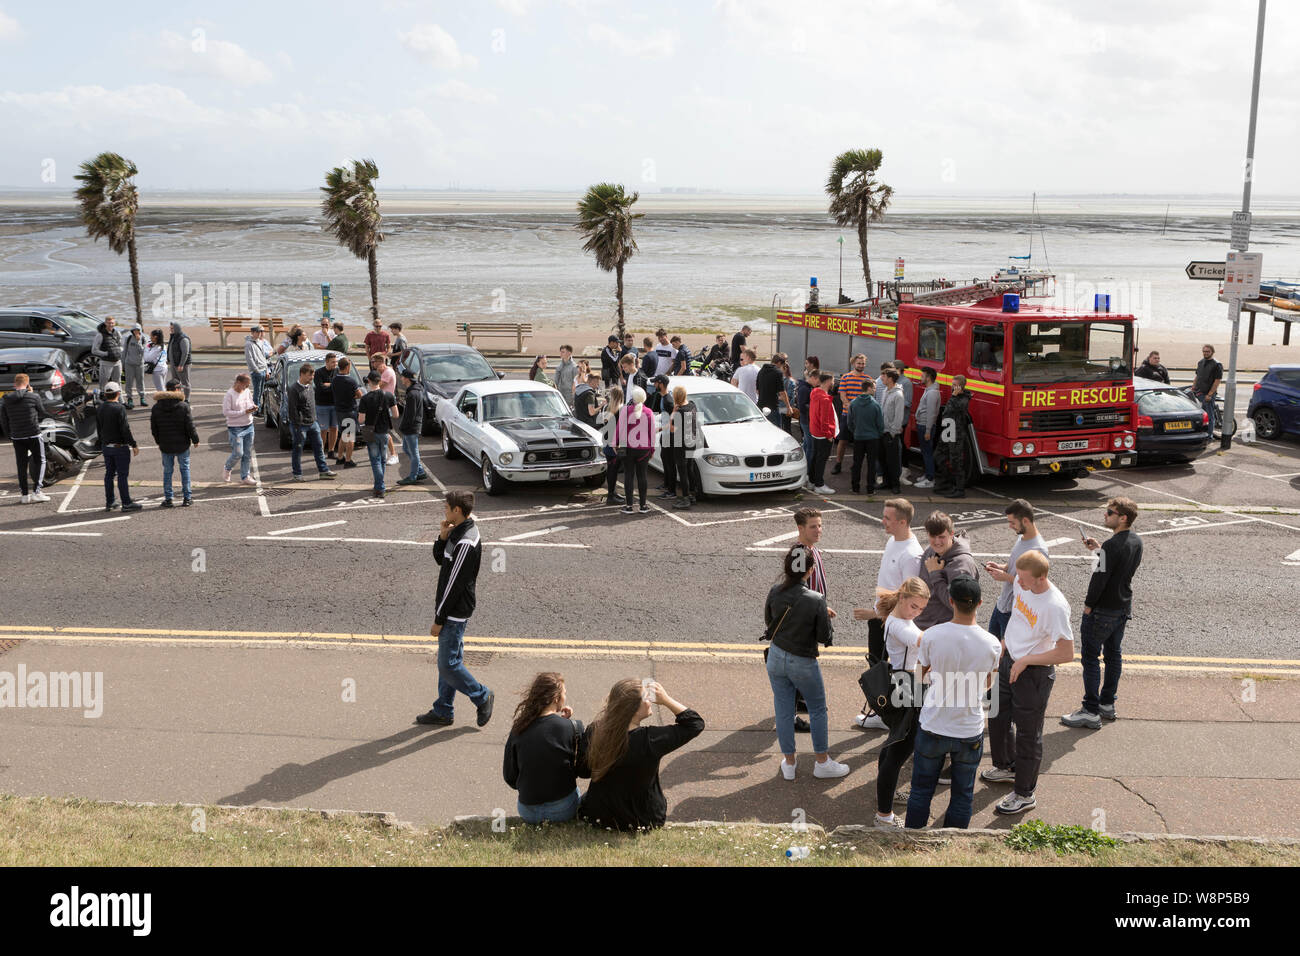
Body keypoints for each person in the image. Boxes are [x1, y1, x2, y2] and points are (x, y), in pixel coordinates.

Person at [981, 550, 1074, 815]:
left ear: (1042, 577)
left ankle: (1024, 793)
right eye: (1017, 577)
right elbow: (1019, 619)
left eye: (1022, 579)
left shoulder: (1055, 606)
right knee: (997, 717)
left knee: (1027, 735)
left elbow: (1066, 653)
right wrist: (1004, 646)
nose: (1017, 584)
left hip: (1033, 674)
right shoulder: (1023, 584)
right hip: (1010, 660)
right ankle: (1005, 766)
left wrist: (1027, 660)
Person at [905, 575, 1001, 830]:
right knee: (962, 794)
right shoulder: (992, 643)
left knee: (921, 790)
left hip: (934, 724)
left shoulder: (932, 635)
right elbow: (988, 685)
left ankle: (912, 841)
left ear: (950, 601)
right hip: (969, 729)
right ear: (980, 603)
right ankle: (952, 845)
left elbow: (919, 677)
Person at [764, 544, 849, 781]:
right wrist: (823, 614)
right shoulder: (815, 599)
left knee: (783, 709)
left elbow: (769, 621)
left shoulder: (775, 590)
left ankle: (789, 764)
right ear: (810, 570)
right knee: (817, 709)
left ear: (787, 566)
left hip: (776, 656)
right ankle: (822, 762)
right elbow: (824, 637)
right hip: (802, 661)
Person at [577, 679, 703, 831]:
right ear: (634, 709)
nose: (650, 701)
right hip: (644, 819)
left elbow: (583, 772)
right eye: (646, 698)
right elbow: (695, 723)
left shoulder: (595, 731)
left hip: (599, 816)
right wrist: (666, 700)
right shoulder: (650, 740)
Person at [1063, 497, 1144, 729]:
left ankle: (1089, 710)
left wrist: (1088, 605)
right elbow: (1118, 569)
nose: (1105, 515)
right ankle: (1107, 704)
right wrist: (1099, 550)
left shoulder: (1112, 546)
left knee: (1090, 658)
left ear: (1123, 517)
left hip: (1102, 611)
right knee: (1113, 656)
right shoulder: (1136, 541)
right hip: (1122, 607)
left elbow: (1100, 578)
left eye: (1110, 512)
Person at [417, 490, 494, 729]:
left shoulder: (466, 540)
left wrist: (439, 618)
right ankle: (443, 709)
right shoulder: (457, 531)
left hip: (455, 611)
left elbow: (454, 584)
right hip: (451, 608)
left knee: (448, 664)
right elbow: (442, 560)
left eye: (446, 508)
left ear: (457, 510)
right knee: (449, 660)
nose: (445, 511)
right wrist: (441, 537)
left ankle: (482, 696)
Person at [852, 498, 924, 726]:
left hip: (889, 620)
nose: (882, 521)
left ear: (903, 522)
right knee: (877, 667)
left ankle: (887, 715)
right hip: (881, 615)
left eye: (887, 518)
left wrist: (875, 613)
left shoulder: (911, 554)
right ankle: (883, 709)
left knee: (895, 669)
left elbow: (908, 595)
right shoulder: (894, 540)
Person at [871, 576, 932, 828]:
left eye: (921, 609)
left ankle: (888, 794)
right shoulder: (900, 625)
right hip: (908, 688)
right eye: (914, 606)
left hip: (902, 683)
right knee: (899, 751)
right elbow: (923, 641)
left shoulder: (897, 619)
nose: (916, 612)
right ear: (902, 598)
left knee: (893, 744)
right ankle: (883, 816)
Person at [503, 672, 586, 824]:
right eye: (564, 693)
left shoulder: (519, 728)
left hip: (528, 811)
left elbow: (510, 777)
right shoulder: (573, 728)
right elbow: (584, 770)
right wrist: (568, 724)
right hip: (563, 810)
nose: (565, 697)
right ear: (556, 698)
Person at [986, 499, 1048, 639]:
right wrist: (1001, 567)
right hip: (1002, 604)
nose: (1010, 526)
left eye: (1012, 522)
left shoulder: (1038, 550)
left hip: (1014, 612)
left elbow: (1035, 586)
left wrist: (1006, 577)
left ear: (1025, 520)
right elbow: (1014, 566)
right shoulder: (1022, 538)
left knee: (1007, 658)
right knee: (994, 651)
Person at [915, 510, 979, 631]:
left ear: (951, 534)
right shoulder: (930, 550)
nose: (937, 542)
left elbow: (959, 607)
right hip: (923, 625)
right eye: (932, 536)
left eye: (941, 537)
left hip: (944, 632)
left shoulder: (962, 565)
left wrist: (935, 575)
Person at [150, 377, 200, 507]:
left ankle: (168, 498)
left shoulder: (156, 407)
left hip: (165, 445)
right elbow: (190, 426)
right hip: (182, 444)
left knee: (167, 471)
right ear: (177, 389)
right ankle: (187, 497)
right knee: (185, 470)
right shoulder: (183, 406)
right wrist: (195, 439)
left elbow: (154, 428)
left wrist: (159, 441)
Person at [1, 374, 50, 503]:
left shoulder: (6, 399)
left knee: (21, 466)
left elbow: (4, 420)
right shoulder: (34, 397)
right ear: (28, 384)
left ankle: (24, 495)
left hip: (17, 437)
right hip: (34, 434)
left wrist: (10, 435)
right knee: (40, 461)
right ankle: (37, 491)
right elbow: (43, 413)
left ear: (14, 384)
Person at [286, 364, 338, 484]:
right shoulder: (294, 389)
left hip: (313, 423)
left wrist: (315, 419)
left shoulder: (310, 386)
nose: (312, 377)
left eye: (313, 374)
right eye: (310, 375)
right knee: (298, 450)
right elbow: (292, 410)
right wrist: (297, 425)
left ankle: (323, 471)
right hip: (300, 425)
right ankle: (297, 474)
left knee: (319, 447)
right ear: (302, 374)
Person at [96, 382, 142, 511]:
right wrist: (133, 444)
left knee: (109, 474)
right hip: (119, 447)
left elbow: (99, 428)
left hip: (107, 446)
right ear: (118, 393)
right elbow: (125, 429)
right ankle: (126, 502)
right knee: (122, 475)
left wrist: (102, 442)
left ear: (105, 394)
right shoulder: (119, 408)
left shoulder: (100, 408)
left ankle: (110, 501)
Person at [615, 386, 656, 515]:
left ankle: (629, 506)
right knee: (642, 476)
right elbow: (652, 433)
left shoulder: (625, 410)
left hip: (628, 448)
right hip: (643, 449)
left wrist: (615, 444)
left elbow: (619, 429)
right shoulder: (649, 412)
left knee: (628, 476)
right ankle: (643, 505)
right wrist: (652, 449)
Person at [357, 371, 396, 498]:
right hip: (384, 432)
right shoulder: (389, 395)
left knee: (375, 461)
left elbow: (361, 419)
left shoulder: (365, 398)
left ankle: (380, 487)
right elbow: (396, 414)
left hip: (371, 432)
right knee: (383, 460)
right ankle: (379, 485)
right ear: (379, 381)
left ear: (368, 381)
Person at [932, 375, 971, 498]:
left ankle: (960, 489)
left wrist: (954, 396)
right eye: (952, 384)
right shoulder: (954, 397)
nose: (952, 387)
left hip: (956, 433)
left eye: (955, 385)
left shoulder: (964, 398)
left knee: (956, 461)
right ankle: (944, 482)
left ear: (961, 386)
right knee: (938, 456)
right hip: (947, 430)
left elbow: (950, 410)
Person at [832, 353, 871, 474]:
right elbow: (842, 395)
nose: (861, 365)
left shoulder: (867, 379)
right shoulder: (846, 377)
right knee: (843, 440)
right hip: (846, 414)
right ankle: (838, 464)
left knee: (858, 442)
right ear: (854, 363)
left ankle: (855, 465)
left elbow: (868, 396)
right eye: (859, 363)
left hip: (861, 416)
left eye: (863, 363)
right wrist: (849, 406)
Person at [847, 377, 884, 495]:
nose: (875, 390)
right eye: (874, 387)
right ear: (868, 388)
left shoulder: (853, 403)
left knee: (857, 463)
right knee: (871, 464)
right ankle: (870, 489)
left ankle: (855, 487)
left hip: (858, 437)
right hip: (873, 438)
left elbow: (849, 423)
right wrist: (877, 434)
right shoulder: (875, 405)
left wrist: (856, 431)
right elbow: (880, 424)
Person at [664, 385, 698, 509]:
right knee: (690, 469)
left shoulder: (679, 411)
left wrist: (673, 412)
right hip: (692, 441)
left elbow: (672, 429)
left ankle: (685, 498)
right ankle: (693, 495)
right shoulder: (692, 405)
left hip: (681, 444)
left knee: (682, 471)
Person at [221, 373, 258, 486]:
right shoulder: (229, 395)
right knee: (238, 453)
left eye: (248, 386)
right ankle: (227, 468)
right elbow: (226, 412)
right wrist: (244, 412)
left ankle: (245, 476)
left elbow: (250, 403)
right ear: (238, 382)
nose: (246, 388)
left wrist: (253, 407)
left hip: (249, 425)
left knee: (247, 453)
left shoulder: (247, 392)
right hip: (235, 428)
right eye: (245, 385)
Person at [395, 368, 430, 486]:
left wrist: (403, 427)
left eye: (402, 377)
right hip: (413, 426)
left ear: (407, 379)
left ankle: (413, 476)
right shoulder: (417, 389)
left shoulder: (412, 394)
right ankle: (419, 471)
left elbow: (410, 414)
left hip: (411, 427)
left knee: (414, 453)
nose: (401, 378)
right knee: (406, 448)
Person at [804, 372, 837, 495]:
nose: (833, 383)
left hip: (815, 431)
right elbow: (824, 420)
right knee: (821, 459)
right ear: (828, 381)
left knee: (816, 457)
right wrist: (828, 435)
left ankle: (812, 481)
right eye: (832, 380)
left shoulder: (815, 393)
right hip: (823, 434)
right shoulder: (824, 399)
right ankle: (819, 484)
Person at [331, 357, 362, 469]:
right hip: (349, 411)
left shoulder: (334, 380)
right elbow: (359, 394)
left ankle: (340, 457)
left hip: (339, 410)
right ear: (347, 367)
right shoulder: (350, 381)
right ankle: (348, 460)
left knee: (343, 435)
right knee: (350, 437)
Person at [914, 367, 941, 489]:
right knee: (925, 452)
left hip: (925, 426)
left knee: (927, 453)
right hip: (923, 424)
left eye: (923, 376)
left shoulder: (932, 393)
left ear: (928, 377)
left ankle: (930, 479)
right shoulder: (929, 390)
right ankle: (927, 475)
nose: (921, 378)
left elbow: (931, 413)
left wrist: (928, 430)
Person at [880, 369, 905, 494]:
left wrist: (893, 433)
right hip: (883, 431)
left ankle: (895, 485)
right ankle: (886, 482)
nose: (881, 378)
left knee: (893, 461)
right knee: (884, 459)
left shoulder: (898, 395)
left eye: (883, 376)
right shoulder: (886, 391)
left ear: (890, 378)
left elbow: (898, 417)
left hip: (891, 434)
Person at [372, 353, 399, 464]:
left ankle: (394, 454)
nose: (373, 364)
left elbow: (377, 386)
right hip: (381, 405)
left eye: (374, 362)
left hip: (386, 405)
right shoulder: (384, 372)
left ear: (380, 362)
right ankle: (384, 452)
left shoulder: (387, 373)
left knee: (384, 431)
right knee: (380, 431)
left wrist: (377, 374)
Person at [600, 385, 624, 505]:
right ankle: (611, 495)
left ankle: (612, 492)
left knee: (611, 469)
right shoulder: (621, 410)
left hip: (606, 441)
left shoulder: (605, 407)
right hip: (615, 443)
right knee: (613, 471)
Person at [1192, 343, 1223, 437]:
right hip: (1198, 392)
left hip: (1208, 394)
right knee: (1202, 415)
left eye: (1208, 351)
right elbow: (1197, 376)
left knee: (1209, 416)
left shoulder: (1217, 365)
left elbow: (1217, 381)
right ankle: (1202, 433)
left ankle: (1209, 436)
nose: (1205, 353)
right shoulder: (1200, 362)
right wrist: (1193, 387)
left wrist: (1210, 394)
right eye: (1204, 351)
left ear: (1212, 352)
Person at [314, 353, 340, 460]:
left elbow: (339, 386)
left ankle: (331, 451)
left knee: (334, 428)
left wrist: (329, 384)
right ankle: (321, 452)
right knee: (323, 429)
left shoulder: (338, 372)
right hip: (322, 405)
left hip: (335, 404)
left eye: (336, 362)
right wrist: (333, 386)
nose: (335, 364)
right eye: (333, 362)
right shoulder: (319, 373)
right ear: (327, 362)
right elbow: (320, 388)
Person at [92, 314, 123, 391]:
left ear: (114, 323)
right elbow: (94, 350)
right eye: (109, 323)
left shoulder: (117, 333)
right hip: (106, 363)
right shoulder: (100, 335)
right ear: (105, 323)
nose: (111, 325)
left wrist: (119, 350)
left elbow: (121, 345)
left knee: (118, 382)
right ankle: (103, 399)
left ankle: (120, 401)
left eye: (112, 323)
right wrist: (106, 353)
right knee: (104, 383)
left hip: (117, 362)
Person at [243, 325, 271, 412]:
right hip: (257, 372)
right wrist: (257, 370)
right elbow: (250, 359)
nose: (259, 334)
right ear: (252, 333)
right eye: (257, 332)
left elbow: (263, 357)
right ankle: (256, 410)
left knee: (261, 391)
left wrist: (266, 370)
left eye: (260, 332)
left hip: (263, 370)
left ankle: (258, 408)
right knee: (257, 392)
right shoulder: (248, 344)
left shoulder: (260, 342)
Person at [755, 352, 785, 428]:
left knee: (764, 430)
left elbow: (757, 391)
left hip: (760, 406)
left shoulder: (761, 371)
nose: (781, 367)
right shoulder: (778, 373)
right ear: (778, 363)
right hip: (772, 407)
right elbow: (782, 392)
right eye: (781, 365)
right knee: (777, 431)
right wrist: (788, 407)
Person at [121, 324, 146, 409]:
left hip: (139, 364)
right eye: (134, 330)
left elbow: (143, 352)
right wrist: (123, 364)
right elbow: (124, 351)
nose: (136, 332)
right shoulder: (128, 339)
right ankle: (129, 398)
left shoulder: (143, 339)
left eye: (137, 330)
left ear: (140, 330)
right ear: (132, 331)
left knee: (140, 381)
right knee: (129, 382)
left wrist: (139, 342)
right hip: (129, 364)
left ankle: (142, 397)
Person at [166, 321, 193, 400]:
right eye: (170, 328)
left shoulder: (183, 338)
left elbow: (185, 353)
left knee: (185, 383)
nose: (171, 330)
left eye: (172, 328)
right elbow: (170, 350)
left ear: (177, 328)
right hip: (174, 364)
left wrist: (181, 364)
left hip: (182, 365)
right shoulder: (174, 337)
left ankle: (187, 399)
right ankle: (177, 397)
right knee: (175, 382)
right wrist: (169, 360)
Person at [144, 329, 169, 394]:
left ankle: (163, 401)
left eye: (151, 336)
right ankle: (164, 400)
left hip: (158, 370)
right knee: (163, 386)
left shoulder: (157, 348)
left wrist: (146, 348)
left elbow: (147, 358)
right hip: (164, 367)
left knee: (160, 388)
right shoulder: (163, 346)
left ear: (155, 337)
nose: (150, 338)